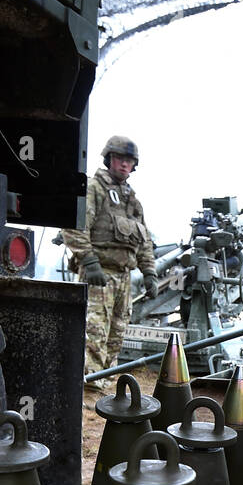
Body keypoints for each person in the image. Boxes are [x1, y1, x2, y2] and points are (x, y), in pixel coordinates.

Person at [62, 135, 158, 386]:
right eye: (120, 159)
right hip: (99, 273)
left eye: (129, 161)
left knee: (116, 332)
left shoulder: (132, 200)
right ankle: (91, 385)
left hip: (123, 276)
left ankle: (105, 383)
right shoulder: (95, 188)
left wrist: (150, 273)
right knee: (95, 330)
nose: (124, 165)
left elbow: (144, 240)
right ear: (109, 160)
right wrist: (89, 261)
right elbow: (74, 226)